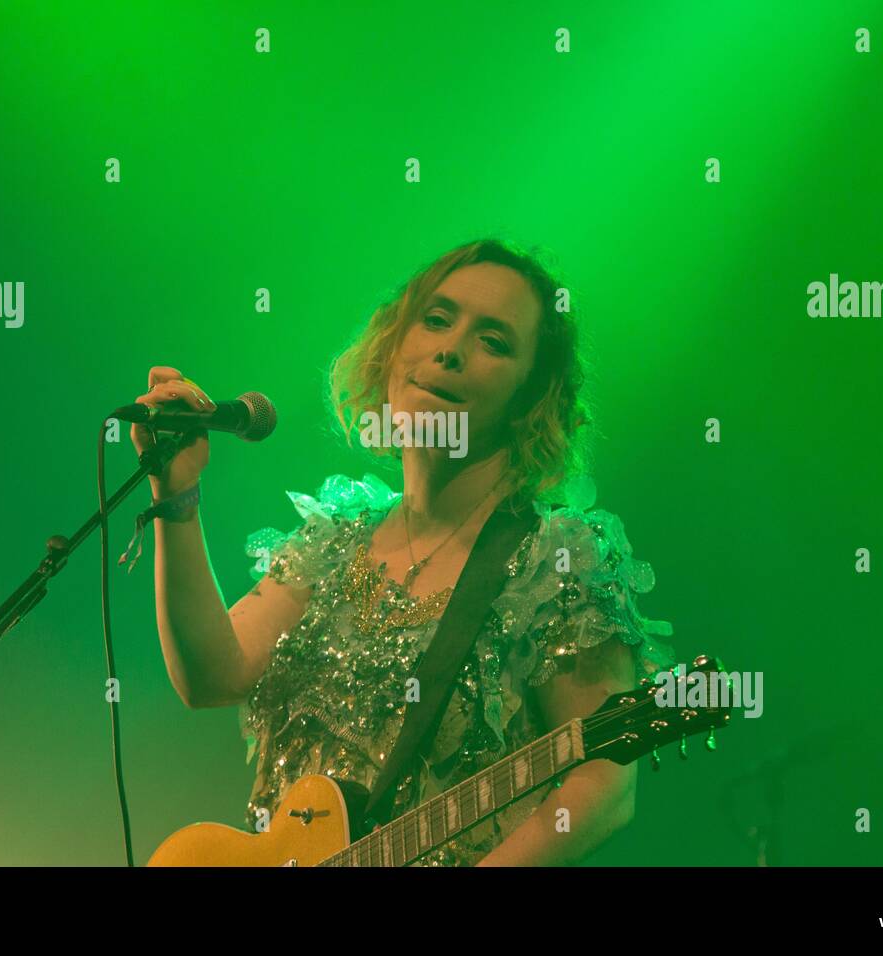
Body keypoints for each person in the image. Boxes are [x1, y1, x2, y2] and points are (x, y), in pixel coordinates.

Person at [131, 238, 675, 866]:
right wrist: (177, 496)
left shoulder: (558, 558)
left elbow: (604, 785)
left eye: (493, 341)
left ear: (531, 398)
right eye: (436, 319)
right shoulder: (332, 541)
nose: (449, 349)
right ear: (393, 345)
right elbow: (209, 675)